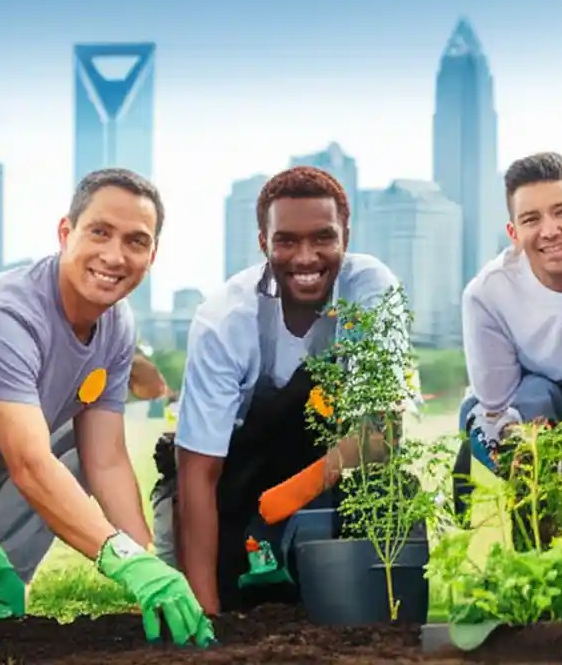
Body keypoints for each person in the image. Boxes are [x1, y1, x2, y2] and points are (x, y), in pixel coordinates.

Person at [0, 168, 213, 646]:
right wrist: (123, 561)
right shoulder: (3, 316)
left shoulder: (116, 324)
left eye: (135, 241)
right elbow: (29, 465)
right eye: (100, 232)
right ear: (66, 233)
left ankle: (5, 600)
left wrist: (147, 566)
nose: (115, 256)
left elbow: (105, 459)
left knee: (77, 447)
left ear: (152, 255)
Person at [162, 166, 402, 615]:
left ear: (346, 237)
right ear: (263, 243)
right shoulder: (226, 319)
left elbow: (382, 432)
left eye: (323, 238)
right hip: (236, 475)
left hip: (334, 469)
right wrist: (206, 612)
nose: (306, 258)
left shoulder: (371, 290)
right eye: (286, 241)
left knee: (388, 503)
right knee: (227, 602)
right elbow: (198, 469)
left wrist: (290, 496)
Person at [452, 151, 562, 512]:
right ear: (514, 234)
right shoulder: (487, 294)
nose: (549, 231)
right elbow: (497, 404)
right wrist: (531, 460)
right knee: (530, 398)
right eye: (531, 219)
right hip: (530, 399)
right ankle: (536, 521)